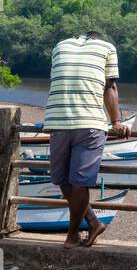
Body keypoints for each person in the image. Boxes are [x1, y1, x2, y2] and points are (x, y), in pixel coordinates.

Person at [43, 30, 131, 249]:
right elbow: (109, 86)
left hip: (58, 122)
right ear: (98, 40)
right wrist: (116, 122)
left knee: (64, 179)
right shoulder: (107, 47)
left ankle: (81, 229)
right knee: (74, 181)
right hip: (89, 122)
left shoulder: (60, 45)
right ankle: (85, 227)